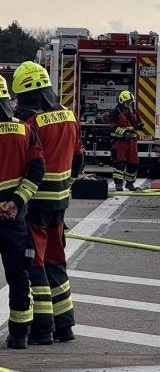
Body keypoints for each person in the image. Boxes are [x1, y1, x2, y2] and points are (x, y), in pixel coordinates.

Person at [12, 61, 84, 345]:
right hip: (60, 204)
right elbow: (79, 161)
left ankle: (43, 330)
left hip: (34, 205)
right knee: (57, 261)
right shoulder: (69, 117)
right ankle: (65, 326)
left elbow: (26, 166)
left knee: (35, 264)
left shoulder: (30, 123)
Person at [0, 75, 45, 349]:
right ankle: (19, 335)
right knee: (18, 276)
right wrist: (16, 202)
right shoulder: (24, 130)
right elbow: (37, 170)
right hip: (14, 218)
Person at [108, 90, 143, 192]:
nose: (129, 104)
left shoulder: (132, 111)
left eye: (130, 102)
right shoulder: (115, 112)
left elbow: (138, 121)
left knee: (133, 163)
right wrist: (123, 133)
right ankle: (118, 184)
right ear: (122, 101)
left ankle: (129, 184)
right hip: (120, 142)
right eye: (127, 102)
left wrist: (139, 125)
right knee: (120, 163)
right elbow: (113, 126)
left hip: (131, 141)